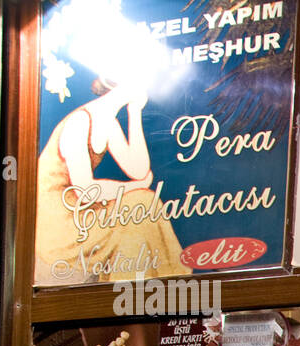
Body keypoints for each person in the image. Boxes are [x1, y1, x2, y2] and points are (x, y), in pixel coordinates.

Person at [35, 76, 189, 284]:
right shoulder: (80, 122)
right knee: (140, 202)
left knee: (143, 203)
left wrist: (134, 112)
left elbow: (139, 169)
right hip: (58, 218)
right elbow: (85, 190)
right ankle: (141, 291)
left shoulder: (109, 122)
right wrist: (135, 187)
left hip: (81, 208)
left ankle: (154, 290)